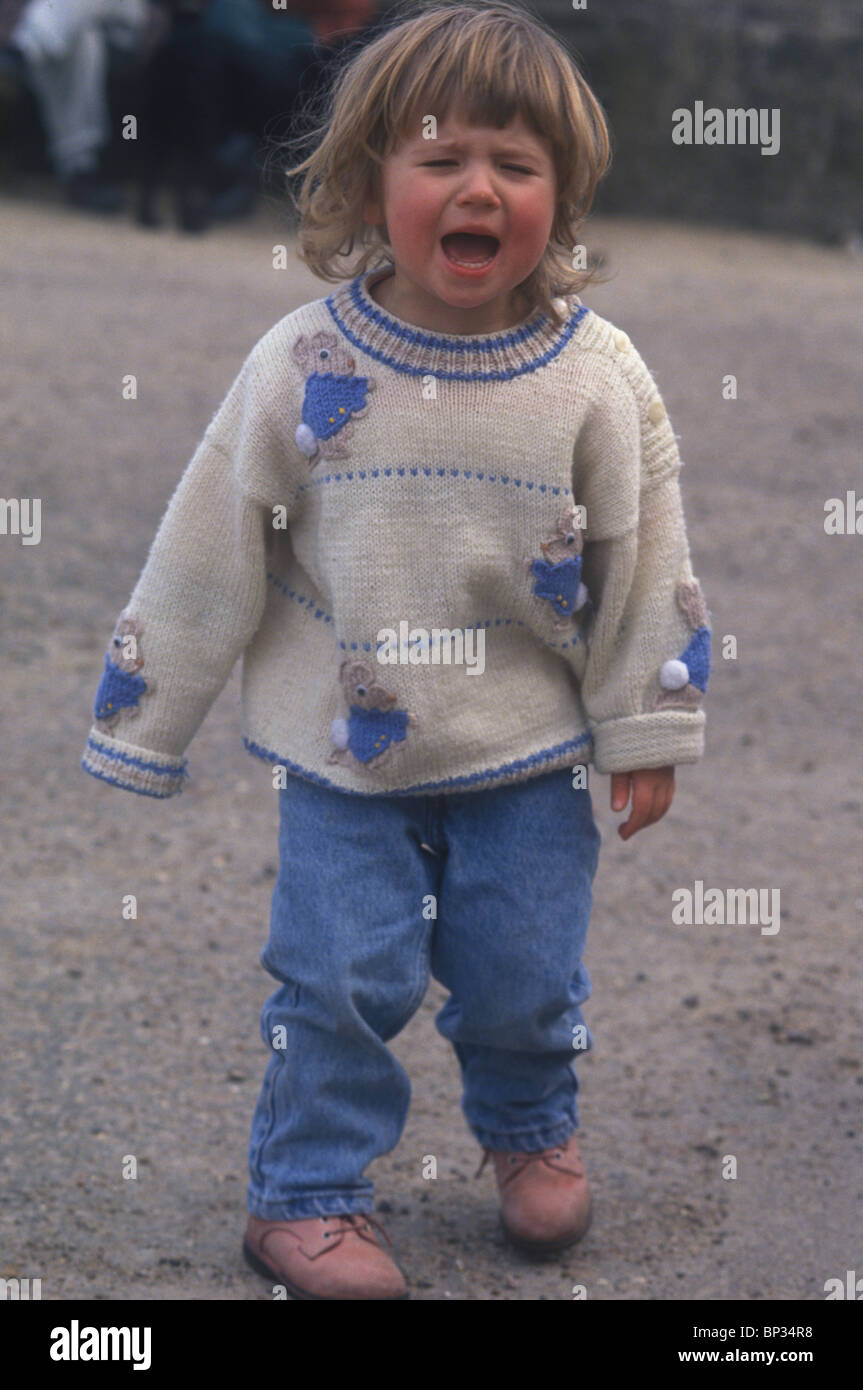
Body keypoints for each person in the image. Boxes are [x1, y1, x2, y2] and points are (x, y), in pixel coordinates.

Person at [80, 1, 711, 1300]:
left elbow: (641, 559)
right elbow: (211, 543)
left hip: (526, 757)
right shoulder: (300, 361)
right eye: (439, 158)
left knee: (525, 979)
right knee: (334, 982)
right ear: (372, 178)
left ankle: (531, 1130)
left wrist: (644, 729)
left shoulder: (596, 377)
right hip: (341, 761)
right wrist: (145, 716)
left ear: (561, 194)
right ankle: (303, 1197)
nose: (477, 186)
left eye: (516, 165)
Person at [0, 0, 149, 210]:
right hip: (70, 25)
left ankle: (24, 49)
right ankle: (80, 168)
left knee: (61, 31)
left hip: (127, 23)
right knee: (85, 40)